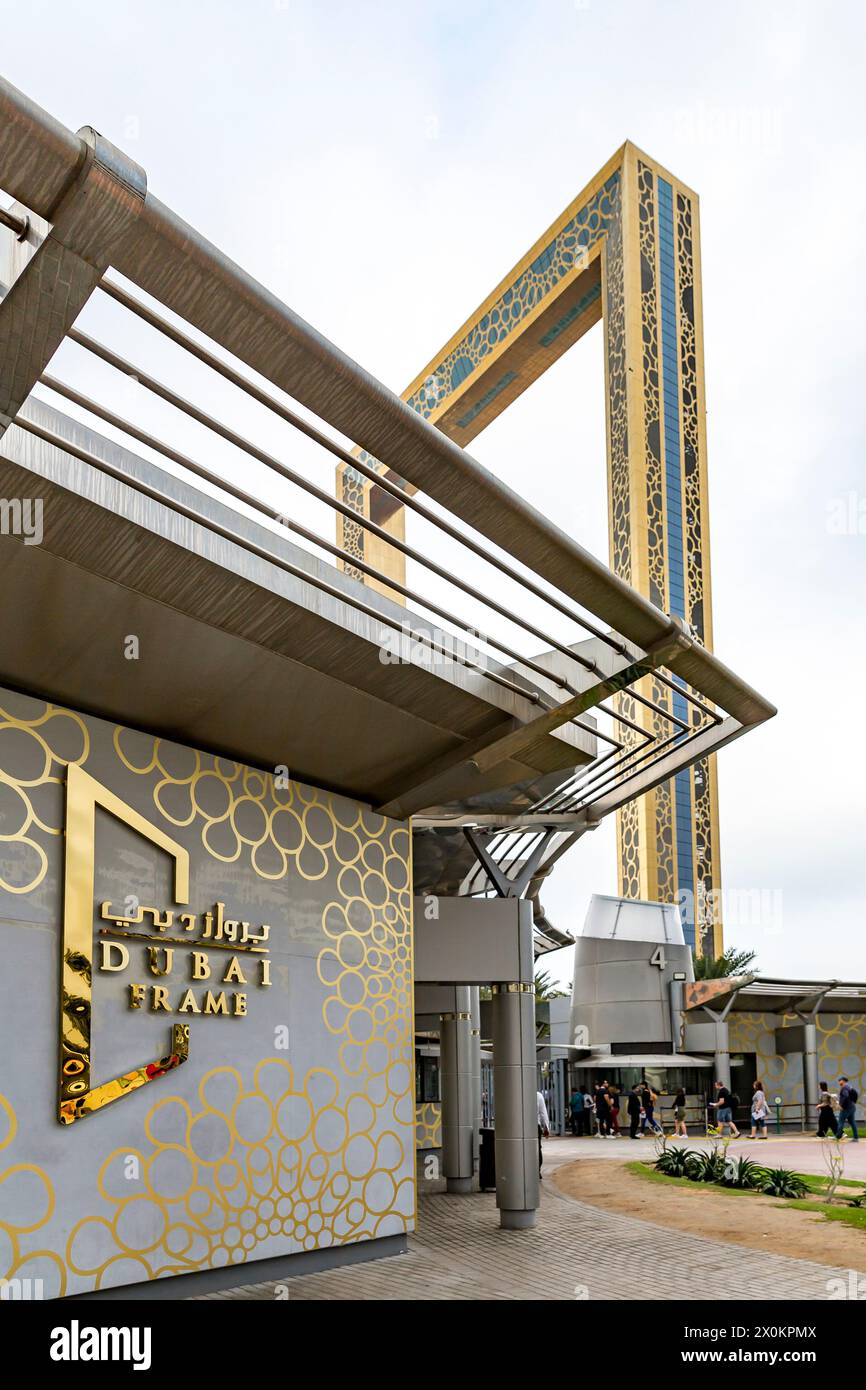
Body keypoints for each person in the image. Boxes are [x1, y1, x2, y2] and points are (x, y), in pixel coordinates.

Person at [836, 1075, 860, 1142]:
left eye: (839, 1081)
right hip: (852, 1107)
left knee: (840, 1122)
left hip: (846, 1108)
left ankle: (838, 1137)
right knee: (852, 1122)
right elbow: (853, 1095)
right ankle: (856, 1137)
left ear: (843, 1081)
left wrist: (841, 1105)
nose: (839, 1082)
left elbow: (845, 1096)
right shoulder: (849, 1087)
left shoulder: (844, 1088)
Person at [537, 1089, 551, 1174]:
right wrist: (546, 1128)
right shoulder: (538, 1095)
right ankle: (537, 1171)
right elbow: (543, 1113)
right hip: (535, 1126)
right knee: (537, 1148)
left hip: (519, 1126)